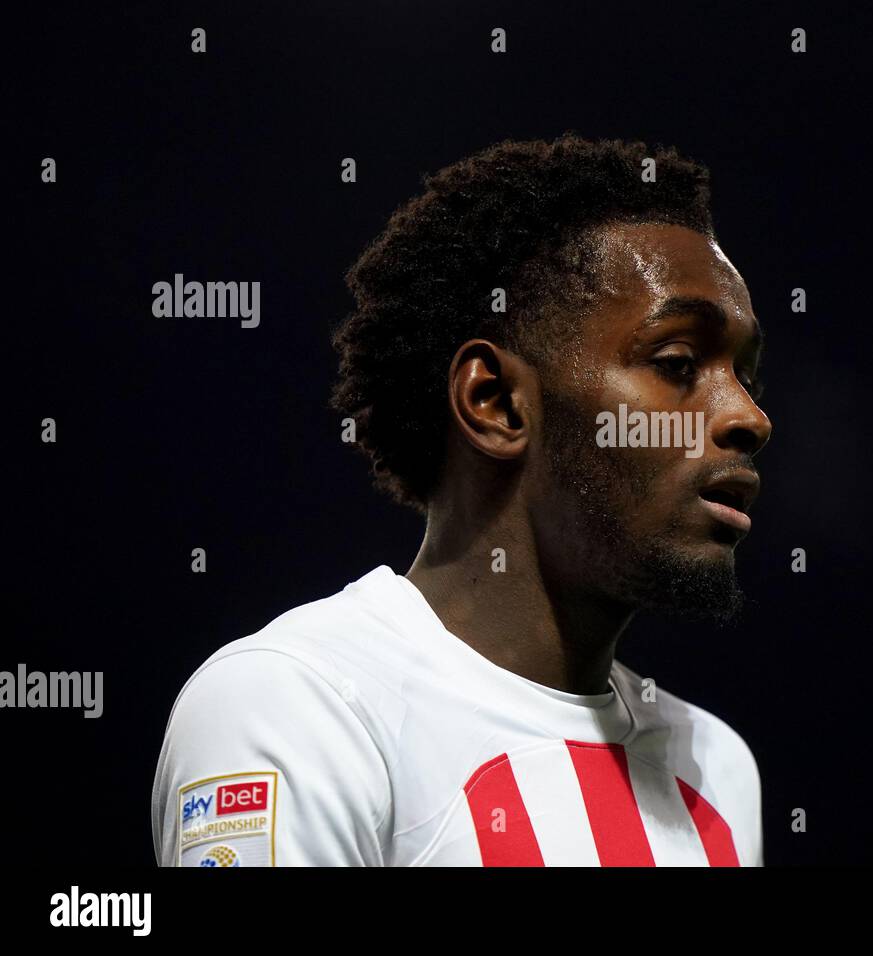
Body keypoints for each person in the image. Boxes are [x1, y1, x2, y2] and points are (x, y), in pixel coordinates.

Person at [151, 132, 772, 866]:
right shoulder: (300, 705)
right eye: (678, 362)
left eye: (747, 375)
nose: (749, 417)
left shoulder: (715, 770)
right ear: (497, 402)